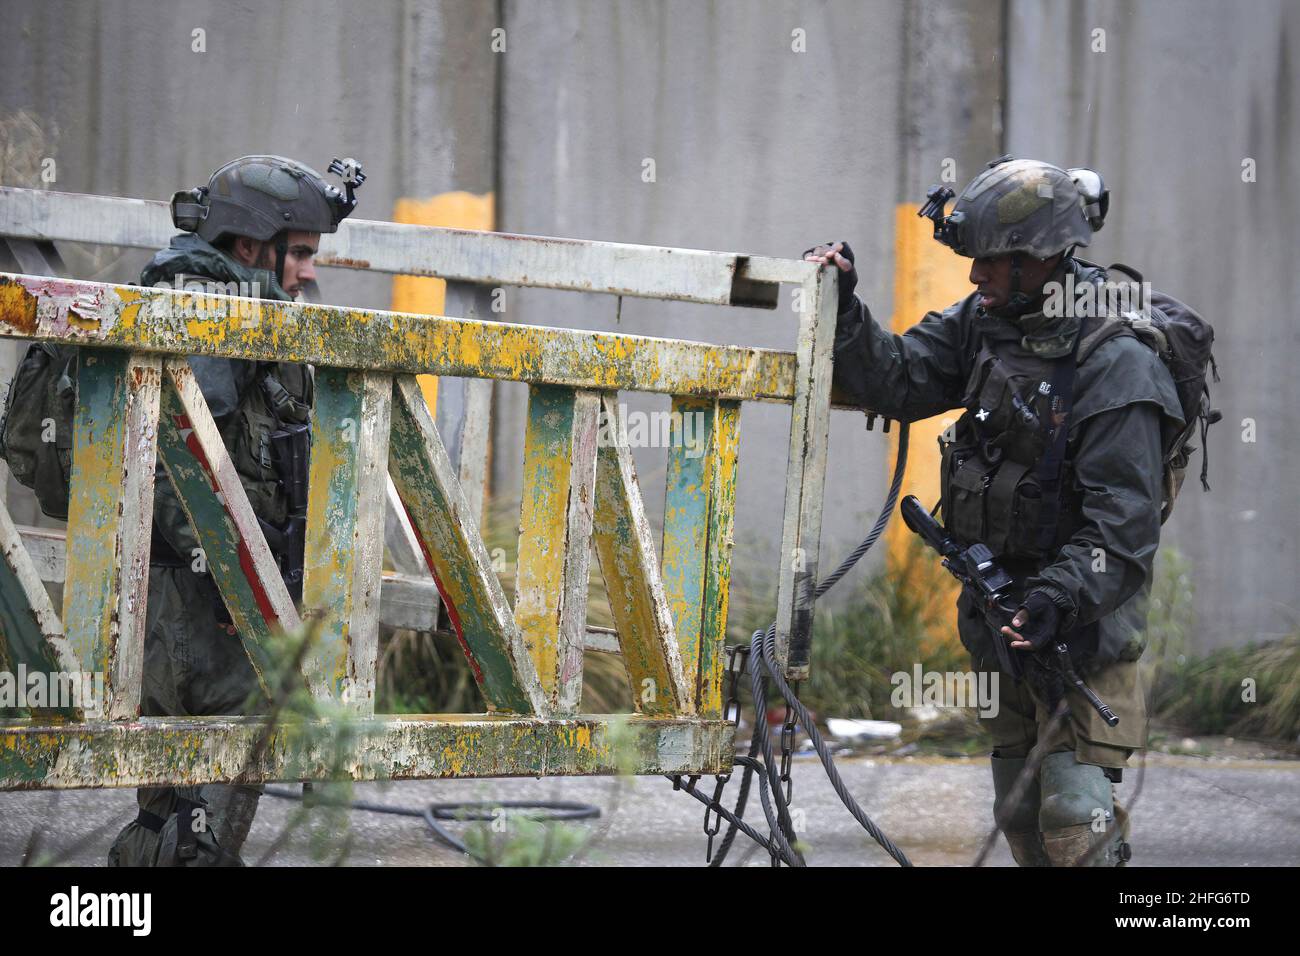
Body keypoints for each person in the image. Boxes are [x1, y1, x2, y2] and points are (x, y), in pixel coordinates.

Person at [806, 156, 1183, 866]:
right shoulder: (987, 324)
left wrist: (1055, 600)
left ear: (1042, 258)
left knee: (1074, 820)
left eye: (992, 262)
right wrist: (846, 306)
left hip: (1079, 627)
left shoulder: (1117, 361)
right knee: (1023, 825)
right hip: (997, 614)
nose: (975, 277)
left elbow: (1124, 525)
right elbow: (900, 380)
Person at [107, 154, 363, 866]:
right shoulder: (210, 306)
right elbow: (180, 456)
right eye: (302, 252)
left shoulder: (234, 303)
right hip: (204, 604)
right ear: (252, 246)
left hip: (196, 595)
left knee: (172, 809)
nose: (310, 270)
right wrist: (234, 579)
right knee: (200, 821)